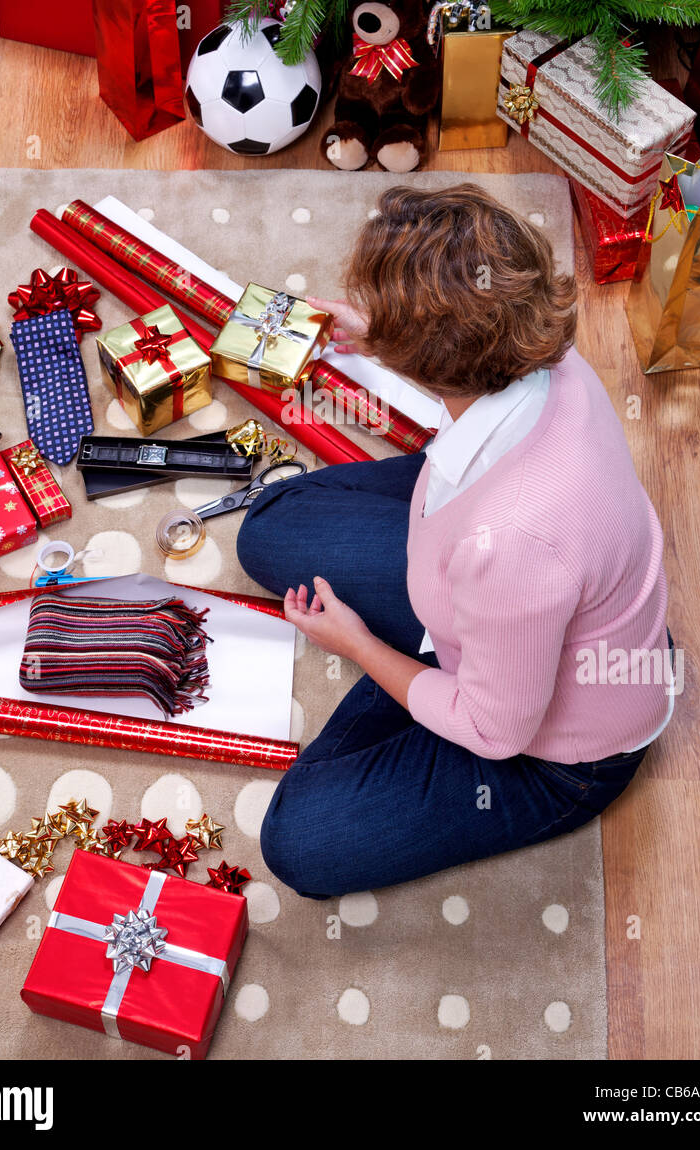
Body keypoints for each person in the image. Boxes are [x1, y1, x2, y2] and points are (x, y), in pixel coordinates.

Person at [236, 184, 674, 898]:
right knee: (266, 529)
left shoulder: (513, 545)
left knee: (298, 841)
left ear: (432, 361)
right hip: (494, 585)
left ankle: (421, 653)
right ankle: (439, 645)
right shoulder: (545, 351)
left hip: (554, 747)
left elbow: (494, 730)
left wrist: (360, 648)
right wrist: (380, 336)